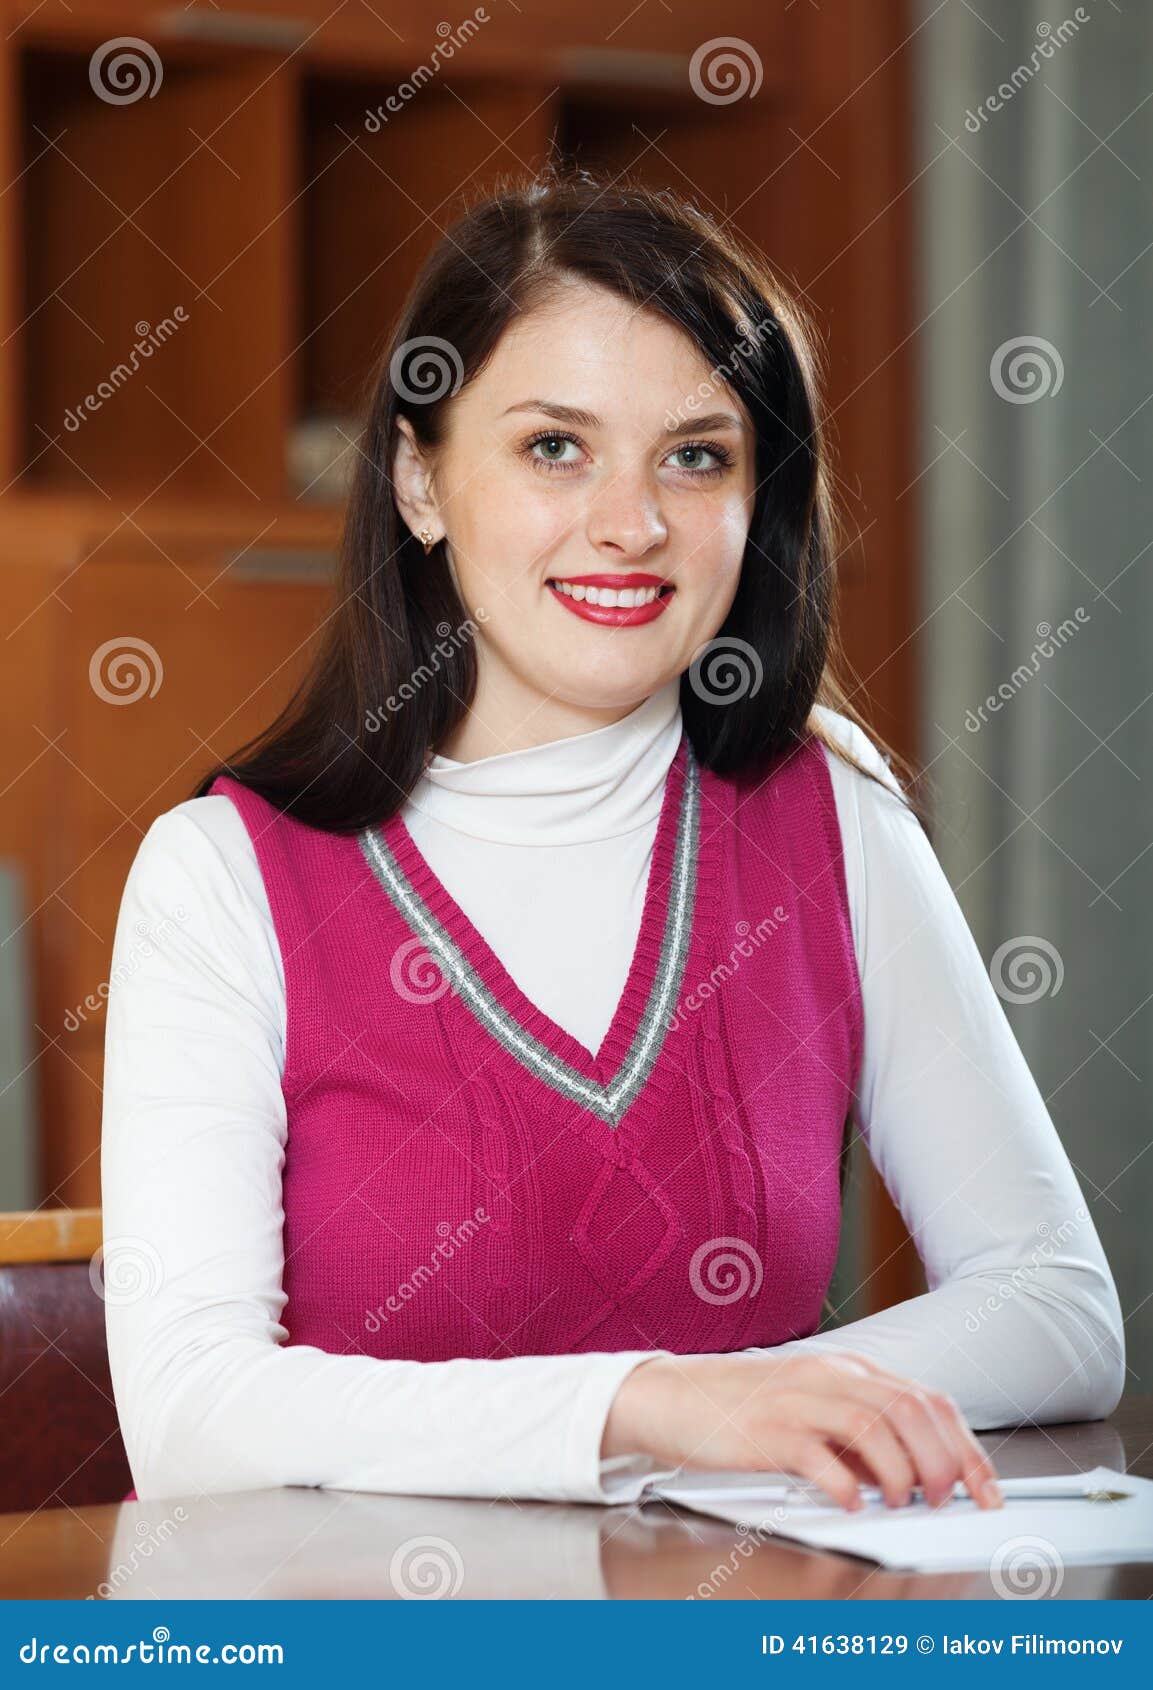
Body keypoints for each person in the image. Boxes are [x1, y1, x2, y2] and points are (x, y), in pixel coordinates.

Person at [101, 171, 1123, 1515]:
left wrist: (757, 1405)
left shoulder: (830, 812)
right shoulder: (222, 875)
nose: (631, 524)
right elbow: (191, 1413)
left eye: (696, 456)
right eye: (554, 447)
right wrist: (658, 1406)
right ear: (419, 478)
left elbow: (1056, 1307)